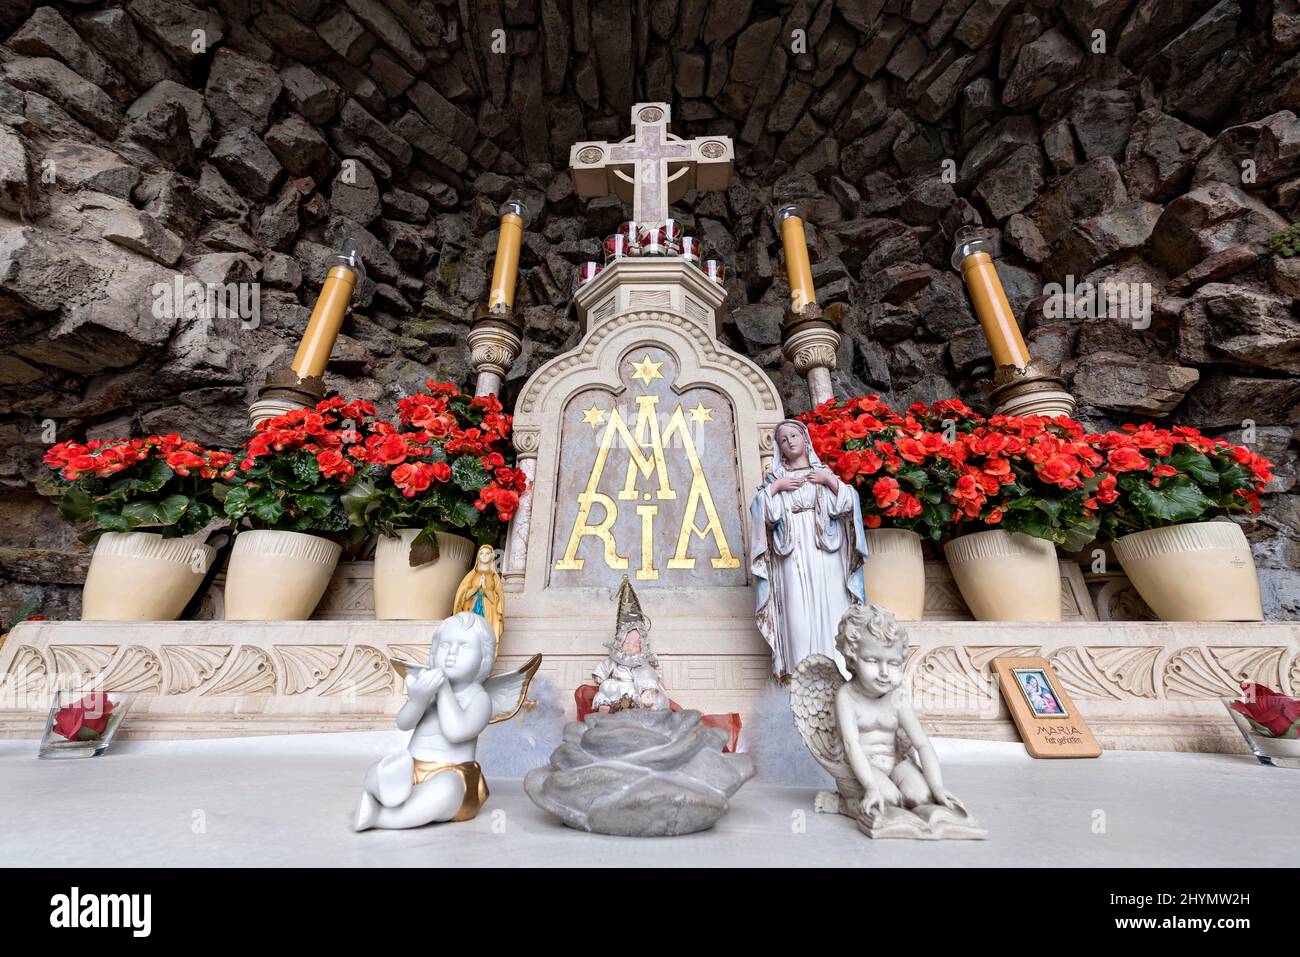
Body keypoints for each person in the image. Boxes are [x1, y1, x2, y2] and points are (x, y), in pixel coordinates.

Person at [750, 419, 868, 680]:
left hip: (825, 550)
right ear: (779, 447)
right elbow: (765, 515)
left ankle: (840, 676)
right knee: (796, 612)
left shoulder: (822, 473)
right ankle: (800, 676)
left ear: (804, 439)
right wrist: (776, 488)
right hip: (790, 552)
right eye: (783, 439)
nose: (789, 441)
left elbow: (847, 505)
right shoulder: (775, 479)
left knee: (832, 606)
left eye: (793, 435)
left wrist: (830, 482)